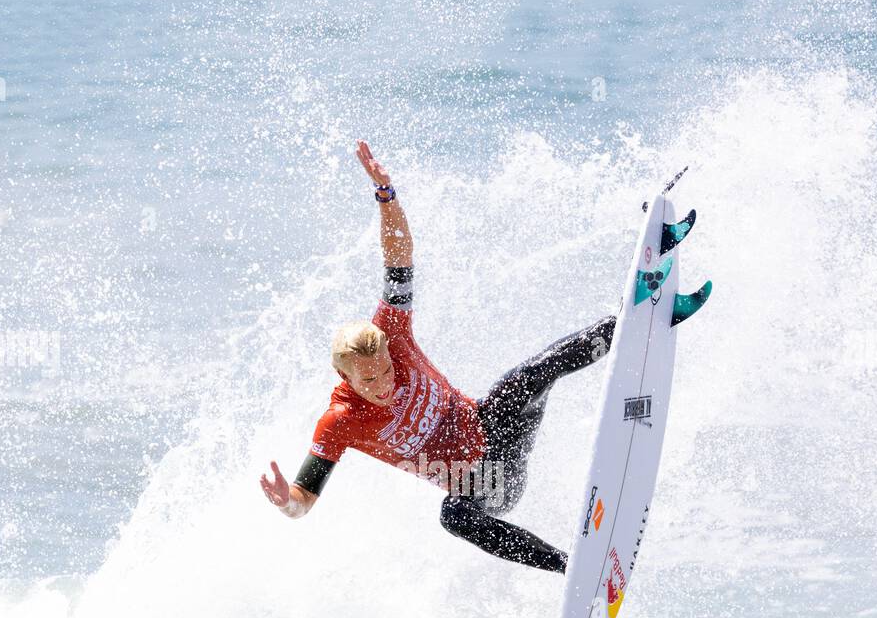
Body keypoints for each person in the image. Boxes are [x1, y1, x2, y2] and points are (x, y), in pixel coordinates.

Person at [258, 140, 628, 573]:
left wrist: (386, 194)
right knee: (453, 515)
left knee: (529, 374)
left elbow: (398, 257)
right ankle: (576, 567)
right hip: (486, 483)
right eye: (368, 382)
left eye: (386, 372)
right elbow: (303, 501)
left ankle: (634, 318)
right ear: (343, 376)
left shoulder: (391, 332)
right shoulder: (340, 422)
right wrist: (286, 503)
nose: (384, 386)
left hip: (500, 429)